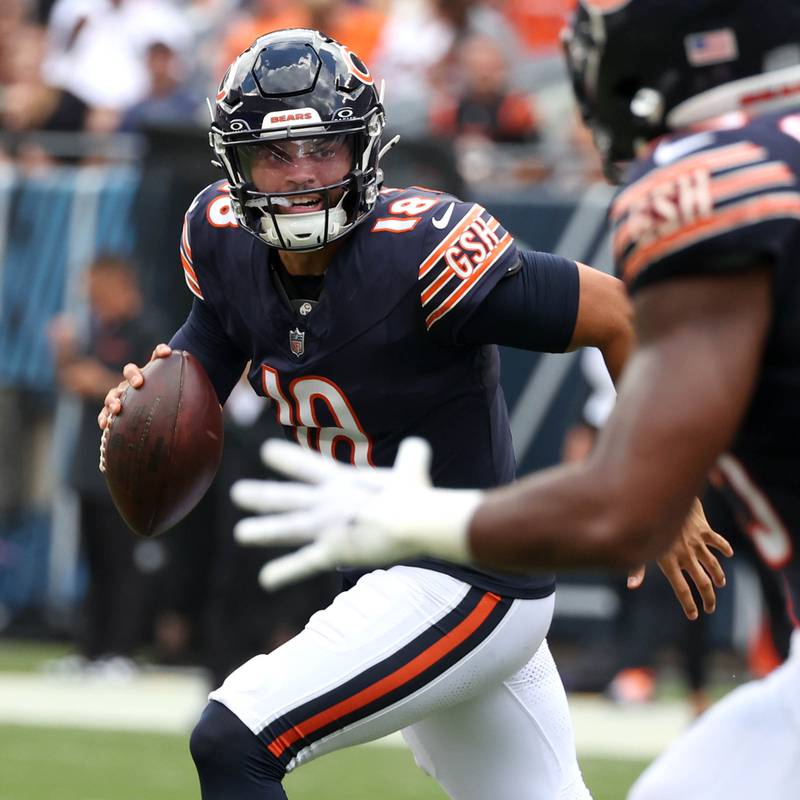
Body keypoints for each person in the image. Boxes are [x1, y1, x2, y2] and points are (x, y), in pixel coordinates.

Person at [98, 29, 726, 800]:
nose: (302, 175)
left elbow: (622, 315)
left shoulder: (421, 251)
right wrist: (150, 397)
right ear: (236, 164)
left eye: (323, 149)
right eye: (276, 155)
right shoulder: (220, 237)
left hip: (466, 574)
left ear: (363, 148)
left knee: (234, 738)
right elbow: (208, 348)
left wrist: (663, 488)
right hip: (385, 573)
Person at [233, 4, 800, 799]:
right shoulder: (219, 240)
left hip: (481, 584)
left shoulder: (722, 178)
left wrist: (419, 518)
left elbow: (624, 511)